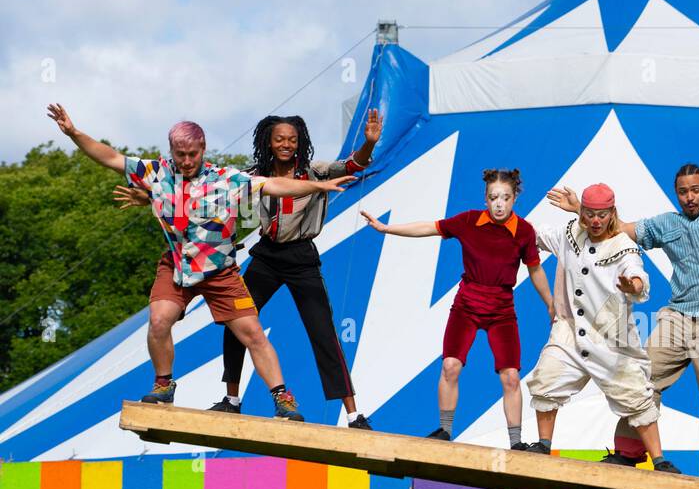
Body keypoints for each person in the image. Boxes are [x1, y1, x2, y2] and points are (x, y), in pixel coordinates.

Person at [47, 104, 355, 419]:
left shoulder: (225, 179)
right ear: (171, 151)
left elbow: (273, 184)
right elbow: (109, 156)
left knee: (251, 333)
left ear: (203, 149)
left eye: (193, 154)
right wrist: (73, 132)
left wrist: (317, 185)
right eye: (180, 154)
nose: (187, 160)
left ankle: (282, 399)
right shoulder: (156, 173)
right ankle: (164, 384)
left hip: (220, 271)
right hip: (178, 266)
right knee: (159, 320)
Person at [546, 75, 699, 482]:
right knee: (640, 374)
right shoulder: (667, 223)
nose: (689, 197)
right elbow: (616, 229)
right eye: (682, 191)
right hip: (677, 317)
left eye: (695, 190)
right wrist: (583, 210)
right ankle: (629, 452)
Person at [118, 112, 383, 428]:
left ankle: (353, 414)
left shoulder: (316, 171)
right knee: (235, 321)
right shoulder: (254, 175)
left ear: (300, 143)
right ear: (269, 143)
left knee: (322, 331)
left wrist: (368, 143)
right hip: (267, 255)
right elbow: (201, 190)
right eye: (279, 139)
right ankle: (232, 400)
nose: (286, 145)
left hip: (302, 257)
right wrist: (149, 195)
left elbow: (354, 165)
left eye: (292, 140)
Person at [360, 169, 553, 449]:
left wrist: (550, 302)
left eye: (505, 197)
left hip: (502, 308)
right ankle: (445, 431)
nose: (499, 203)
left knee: (511, 376)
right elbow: (429, 227)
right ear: (485, 199)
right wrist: (387, 228)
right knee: (450, 366)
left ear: (515, 199)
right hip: (467, 303)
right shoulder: (468, 221)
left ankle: (516, 443)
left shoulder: (523, 231)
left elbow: (535, 270)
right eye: (493, 197)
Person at [525, 185, 680, 473]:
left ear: (612, 214)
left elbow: (637, 275)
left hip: (611, 340)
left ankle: (660, 460)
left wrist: (632, 284)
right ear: (582, 212)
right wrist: (505, 220)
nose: (596, 221)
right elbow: (535, 235)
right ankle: (543, 446)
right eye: (590, 214)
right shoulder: (570, 234)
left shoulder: (623, 247)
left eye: (602, 215)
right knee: (546, 378)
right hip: (570, 333)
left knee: (636, 395)